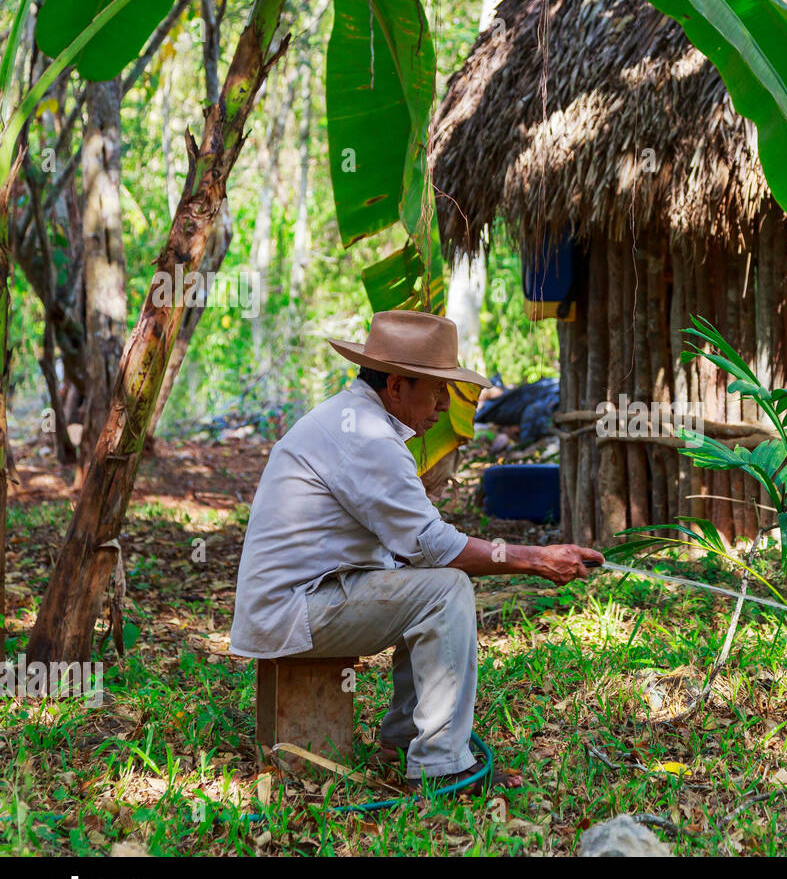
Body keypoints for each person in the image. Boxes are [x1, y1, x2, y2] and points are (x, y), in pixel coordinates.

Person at [231, 310, 602, 792]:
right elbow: (434, 547)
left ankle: (406, 738)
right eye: (436, 389)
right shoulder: (367, 439)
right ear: (396, 385)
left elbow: (414, 548)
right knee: (445, 589)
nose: (445, 405)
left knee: (424, 585)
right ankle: (440, 762)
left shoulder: (356, 421)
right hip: (293, 609)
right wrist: (536, 559)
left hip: (297, 600)